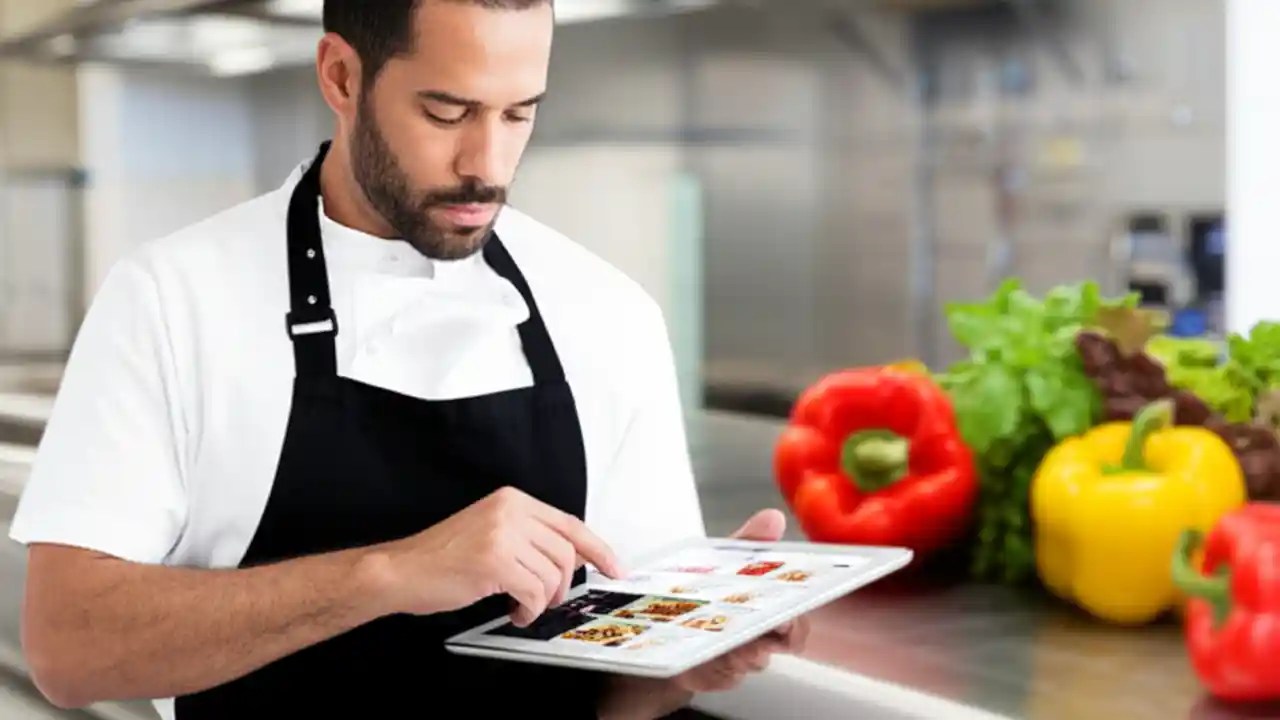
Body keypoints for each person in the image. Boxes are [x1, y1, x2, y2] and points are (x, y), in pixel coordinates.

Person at [8, 0, 808, 718]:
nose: (487, 165)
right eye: (446, 110)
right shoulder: (172, 297)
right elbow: (68, 649)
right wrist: (391, 575)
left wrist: (689, 663)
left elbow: (619, 686)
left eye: (519, 113)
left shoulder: (609, 312)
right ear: (341, 75)